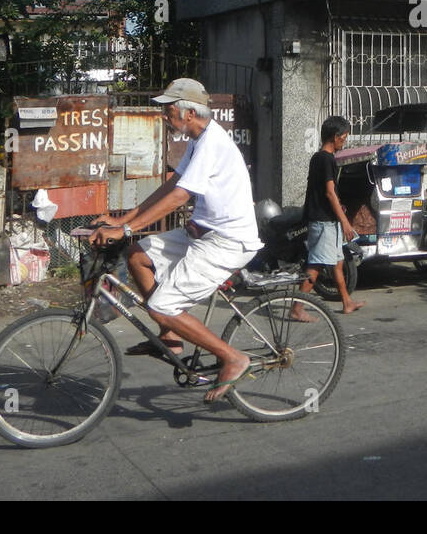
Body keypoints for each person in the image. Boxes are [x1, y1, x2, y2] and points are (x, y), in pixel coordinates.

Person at [90, 78, 258, 403]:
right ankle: (171, 336)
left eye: (169, 110)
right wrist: (122, 220)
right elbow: (172, 185)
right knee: (137, 255)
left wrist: (123, 230)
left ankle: (233, 357)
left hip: (226, 241)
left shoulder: (212, 144)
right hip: (200, 232)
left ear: (189, 113)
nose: (166, 116)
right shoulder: (197, 140)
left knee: (161, 305)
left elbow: (180, 197)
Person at [296, 115, 365, 316]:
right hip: (323, 221)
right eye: (343, 138)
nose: (344, 142)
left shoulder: (321, 158)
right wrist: (345, 222)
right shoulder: (325, 159)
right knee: (316, 265)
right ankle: (297, 308)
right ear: (335, 137)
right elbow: (329, 192)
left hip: (328, 220)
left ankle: (347, 302)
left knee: (337, 262)